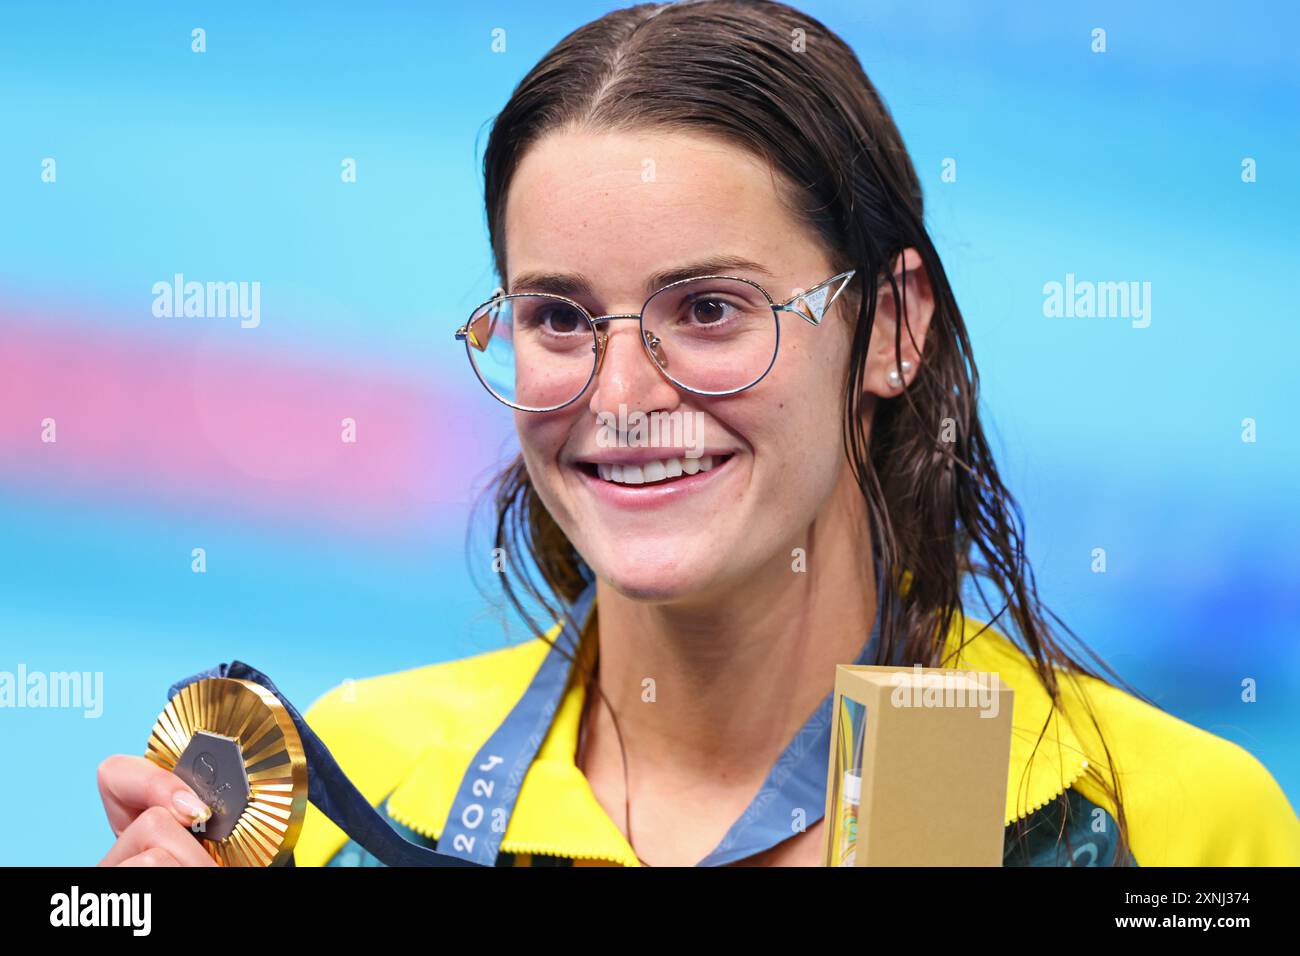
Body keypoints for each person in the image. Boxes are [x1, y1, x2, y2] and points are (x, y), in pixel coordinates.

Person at [97, 0, 1300, 868]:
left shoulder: (1168, 821)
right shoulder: (343, 793)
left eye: (710, 309)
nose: (620, 390)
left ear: (890, 326)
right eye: (559, 316)